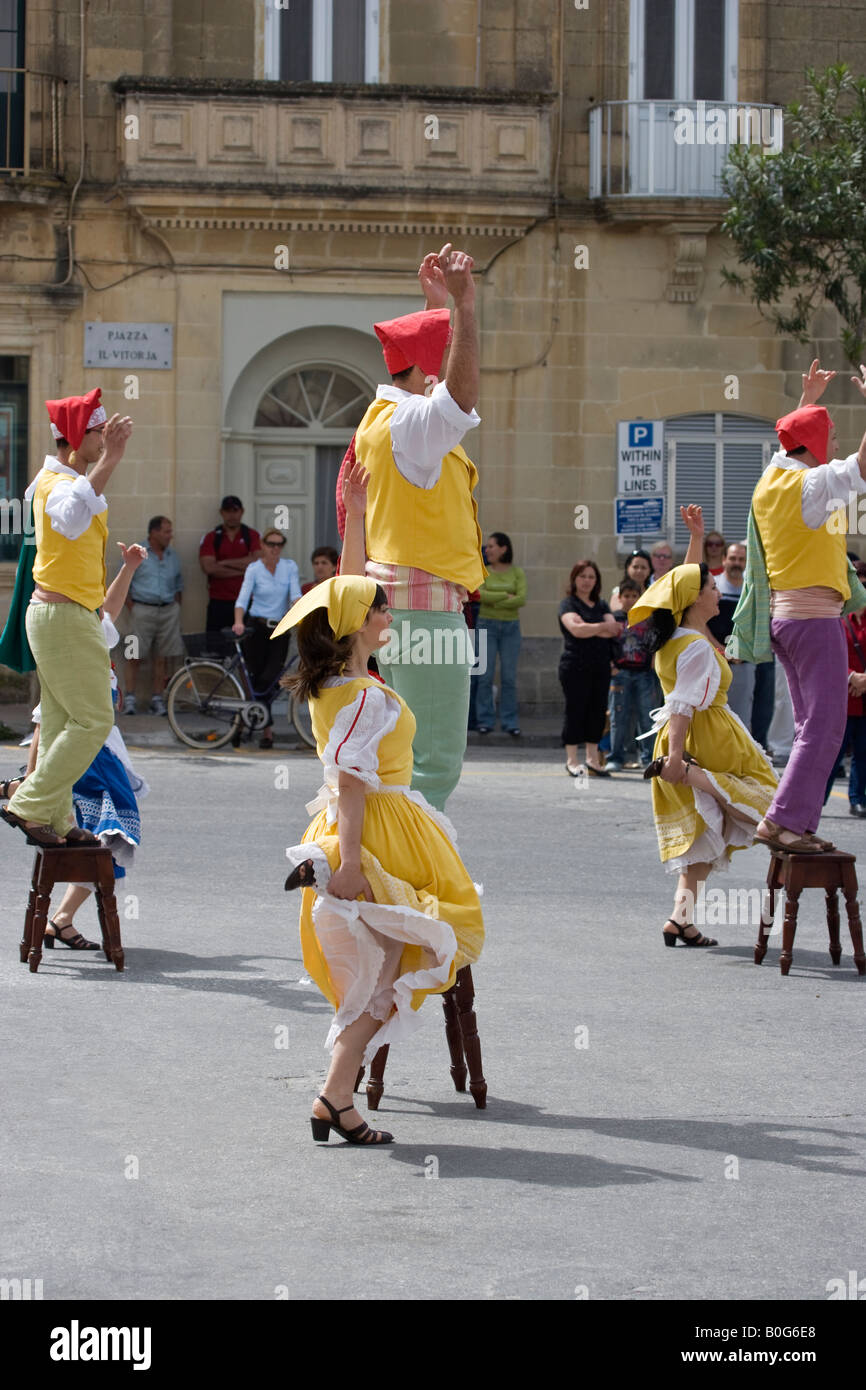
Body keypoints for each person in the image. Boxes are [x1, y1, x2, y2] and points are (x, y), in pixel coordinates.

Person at [274, 575, 484, 1146]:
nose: (388, 616)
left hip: (369, 828)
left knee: (385, 962)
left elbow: (344, 587)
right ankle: (334, 1095)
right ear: (355, 624)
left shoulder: (344, 685)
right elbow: (349, 779)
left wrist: (359, 510)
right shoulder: (362, 694)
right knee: (386, 965)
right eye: (380, 610)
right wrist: (350, 864)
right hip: (374, 835)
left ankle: (336, 1096)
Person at [338, 243, 484, 811]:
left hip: (395, 602)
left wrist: (436, 308)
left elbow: (437, 379)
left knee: (401, 755)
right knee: (435, 763)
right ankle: (413, 876)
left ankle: (376, 866)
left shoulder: (384, 417)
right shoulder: (416, 423)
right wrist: (466, 304)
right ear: (429, 372)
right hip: (425, 605)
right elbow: (459, 398)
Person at [732, 358, 866, 852]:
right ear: (816, 447)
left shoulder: (772, 478)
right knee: (826, 728)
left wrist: (805, 403)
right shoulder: (812, 484)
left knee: (812, 727)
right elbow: (862, 465)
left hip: (786, 619)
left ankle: (795, 824)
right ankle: (783, 821)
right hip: (813, 620)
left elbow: (790, 443)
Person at [2, 390, 133, 849]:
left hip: (61, 616)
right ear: (78, 438)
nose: (104, 442)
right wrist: (110, 460)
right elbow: (72, 518)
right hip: (63, 617)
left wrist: (102, 463)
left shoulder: (60, 479)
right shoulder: (56, 485)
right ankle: (30, 803)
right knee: (95, 719)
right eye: (98, 434)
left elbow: (79, 509)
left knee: (60, 723)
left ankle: (55, 820)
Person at [3, 542, 150, 949]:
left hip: (100, 751)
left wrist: (129, 567)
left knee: (106, 840)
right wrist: (31, 779)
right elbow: (43, 719)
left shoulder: (87, 623)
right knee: (110, 836)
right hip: (90, 755)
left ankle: (62, 918)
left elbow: (109, 609)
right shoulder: (66, 632)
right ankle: (62, 915)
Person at [629, 562, 778, 948]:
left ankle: (680, 921)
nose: (717, 592)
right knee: (768, 804)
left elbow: (681, 581)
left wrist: (695, 541)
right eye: (711, 586)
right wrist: (678, 760)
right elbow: (682, 705)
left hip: (687, 737)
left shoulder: (677, 636)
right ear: (695, 598)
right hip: (706, 739)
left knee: (703, 837)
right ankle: (697, 776)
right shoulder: (695, 645)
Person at [231, 527, 302, 747]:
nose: (275, 548)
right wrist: (239, 621)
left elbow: (295, 595)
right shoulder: (254, 569)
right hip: (256, 627)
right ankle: (265, 731)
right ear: (262, 545)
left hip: (279, 629)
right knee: (253, 679)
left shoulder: (289, 567)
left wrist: (302, 614)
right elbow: (242, 599)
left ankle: (247, 725)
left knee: (270, 678)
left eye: (279, 544)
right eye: (270, 544)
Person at [558, 560, 620, 778]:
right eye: (582, 576)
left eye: (591, 577)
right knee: (576, 710)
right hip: (574, 666)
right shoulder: (568, 605)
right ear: (574, 579)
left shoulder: (602, 605)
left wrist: (590, 627)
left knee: (596, 711)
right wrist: (598, 627)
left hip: (601, 666)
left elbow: (613, 630)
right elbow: (576, 630)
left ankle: (593, 760)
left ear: (597, 581)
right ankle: (572, 760)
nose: (587, 581)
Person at [124, 515, 184, 715]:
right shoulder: (138, 553)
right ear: (154, 532)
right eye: (166, 531)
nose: (170, 535)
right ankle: (130, 698)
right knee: (133, 655)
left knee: (162, 657)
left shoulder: (172, 556)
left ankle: (157, 699)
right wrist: (134, 607)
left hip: (168, 611)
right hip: (142, 610)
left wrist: (175, 606)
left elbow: (178, 585)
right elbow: (124, 583)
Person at [474, 531, 526, 736]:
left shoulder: (517, 573)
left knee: (509, 677)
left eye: (492, 546)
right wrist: (505, 595)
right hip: (486, 626)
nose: (487, 550)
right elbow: (479, 595)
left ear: (504, 548)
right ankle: (485, 720)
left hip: (511, 628)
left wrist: (493, 598)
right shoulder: (483, 571)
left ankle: (510, 721)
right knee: (485, 675)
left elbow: (521, 599)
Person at [605, 576, 655, 772]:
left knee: (647, 717)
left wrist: (652, 661)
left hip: (644, 674)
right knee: (619, 716)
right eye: (627, 596)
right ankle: (616, 757)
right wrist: (611, 666)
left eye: (635, 595)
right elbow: (606, 644)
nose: (631, 599)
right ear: (619, 597)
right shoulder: (614, 619)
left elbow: (654, 642)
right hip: (620, 673)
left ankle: (648, 757)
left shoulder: (647, 619)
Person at [706, 542, 755, 726]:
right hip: (712, 661)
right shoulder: (713, 586)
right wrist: (721, 650)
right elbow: (701, 623)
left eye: (741, 559)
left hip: (743, 664)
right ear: (724, 560)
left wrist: (742, 651)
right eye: (733, 558)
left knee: (741, 718)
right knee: (712, 717)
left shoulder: (752, 590)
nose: (737, 563)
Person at [198, 496, 261, 633]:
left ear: (242, 512)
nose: (231, 515)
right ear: (222, 513)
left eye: (235, 511)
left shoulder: (252, 535)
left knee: (248, 648)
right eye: (227, 511)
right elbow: (209, 567)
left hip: (247, 602)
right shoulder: (212, 537)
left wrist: (223, 563)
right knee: (216, 649)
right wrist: (245, 569)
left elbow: (257, 563)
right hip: (219, 602)